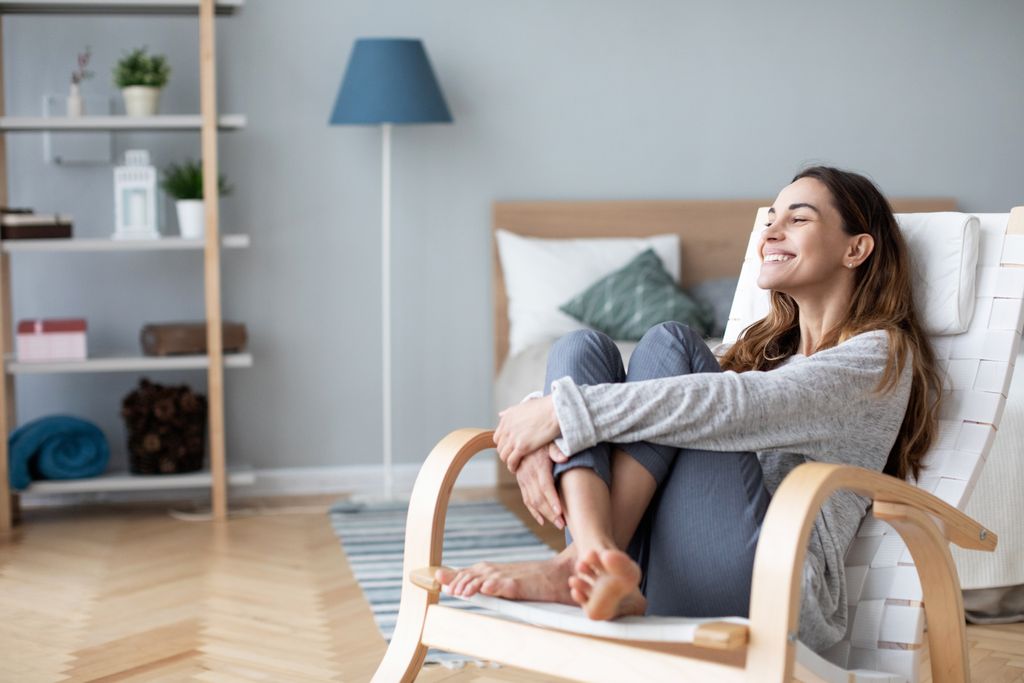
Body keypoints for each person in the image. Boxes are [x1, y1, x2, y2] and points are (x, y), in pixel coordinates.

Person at [436, 166, 943, 653]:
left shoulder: (876, 356)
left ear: (856, 248)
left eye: (798, 218)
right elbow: (656, 396)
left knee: (670, 342)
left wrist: (554, 417)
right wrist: (536, 422)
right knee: (579, 349)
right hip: (653, 571)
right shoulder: (760, 351)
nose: (770, 232)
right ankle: (593, 555)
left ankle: (577, 559)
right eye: (770, 220)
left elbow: (736, 404)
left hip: (770, 585)